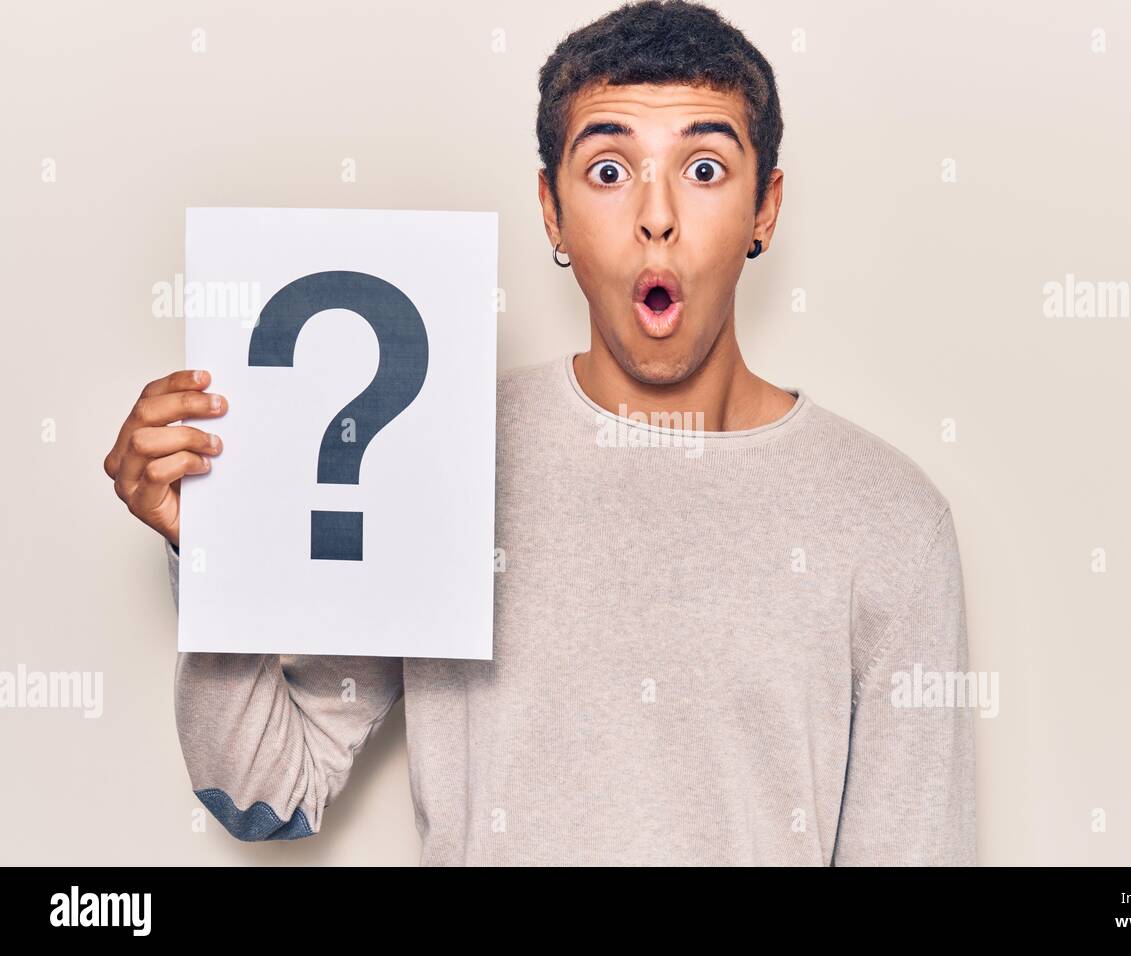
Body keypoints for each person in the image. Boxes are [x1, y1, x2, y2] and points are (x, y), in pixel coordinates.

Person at [103, 0, 975, 865]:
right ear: (551, 212)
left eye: (704, 169)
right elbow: (263, 797)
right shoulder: (439, 451)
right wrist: (216, 551)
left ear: (765, 208)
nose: (657, 215)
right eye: (608, 170)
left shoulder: (890, 520)